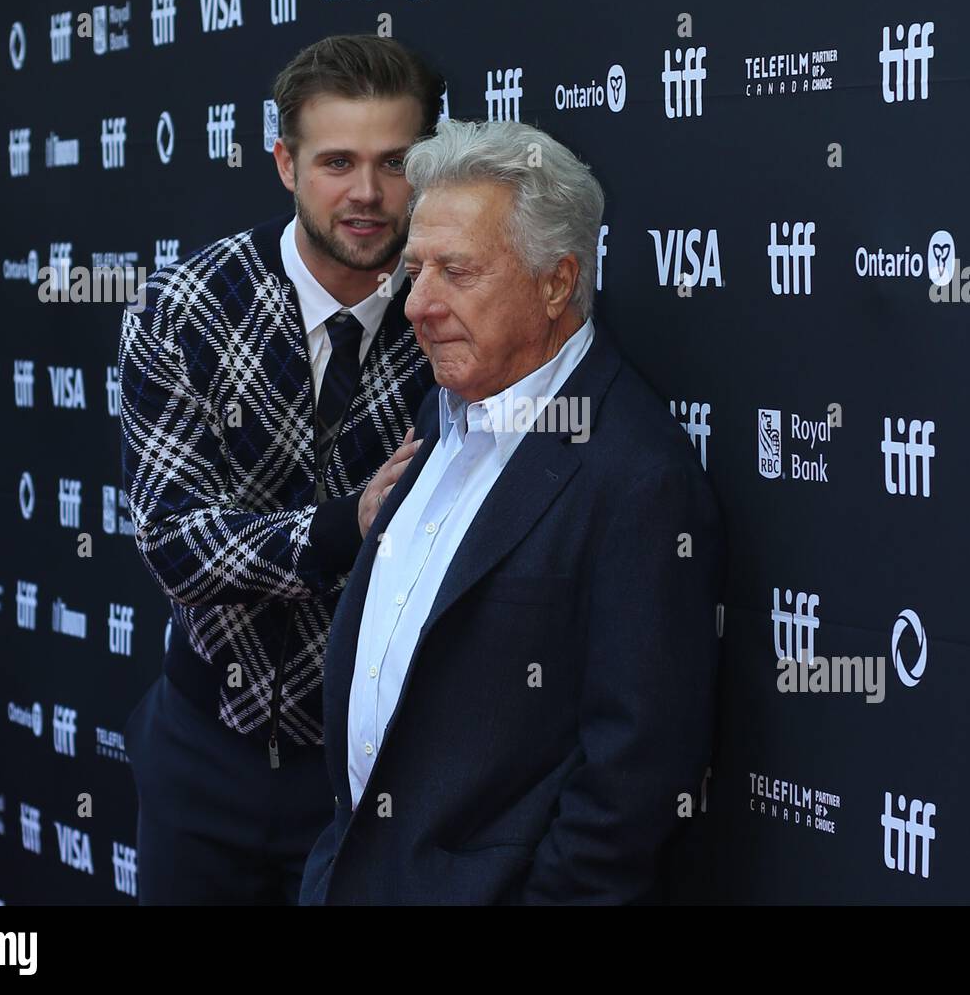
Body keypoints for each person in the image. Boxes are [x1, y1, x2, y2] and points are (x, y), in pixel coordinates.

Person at [300, 118, 725, 905]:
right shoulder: (441, 412)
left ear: (557, 282)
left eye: (456, 272)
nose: (416, 305)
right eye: (415, 268)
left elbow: (630, 784)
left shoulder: (634, 478)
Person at [118, 34, 442, 904]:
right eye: (336, 161)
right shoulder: (187, 307)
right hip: (203, 753)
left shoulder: (450, 309)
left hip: (376, 772)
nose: (367, 194)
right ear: (284, 164)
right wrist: (350, 526)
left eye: (394, 162)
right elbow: (175, 546)